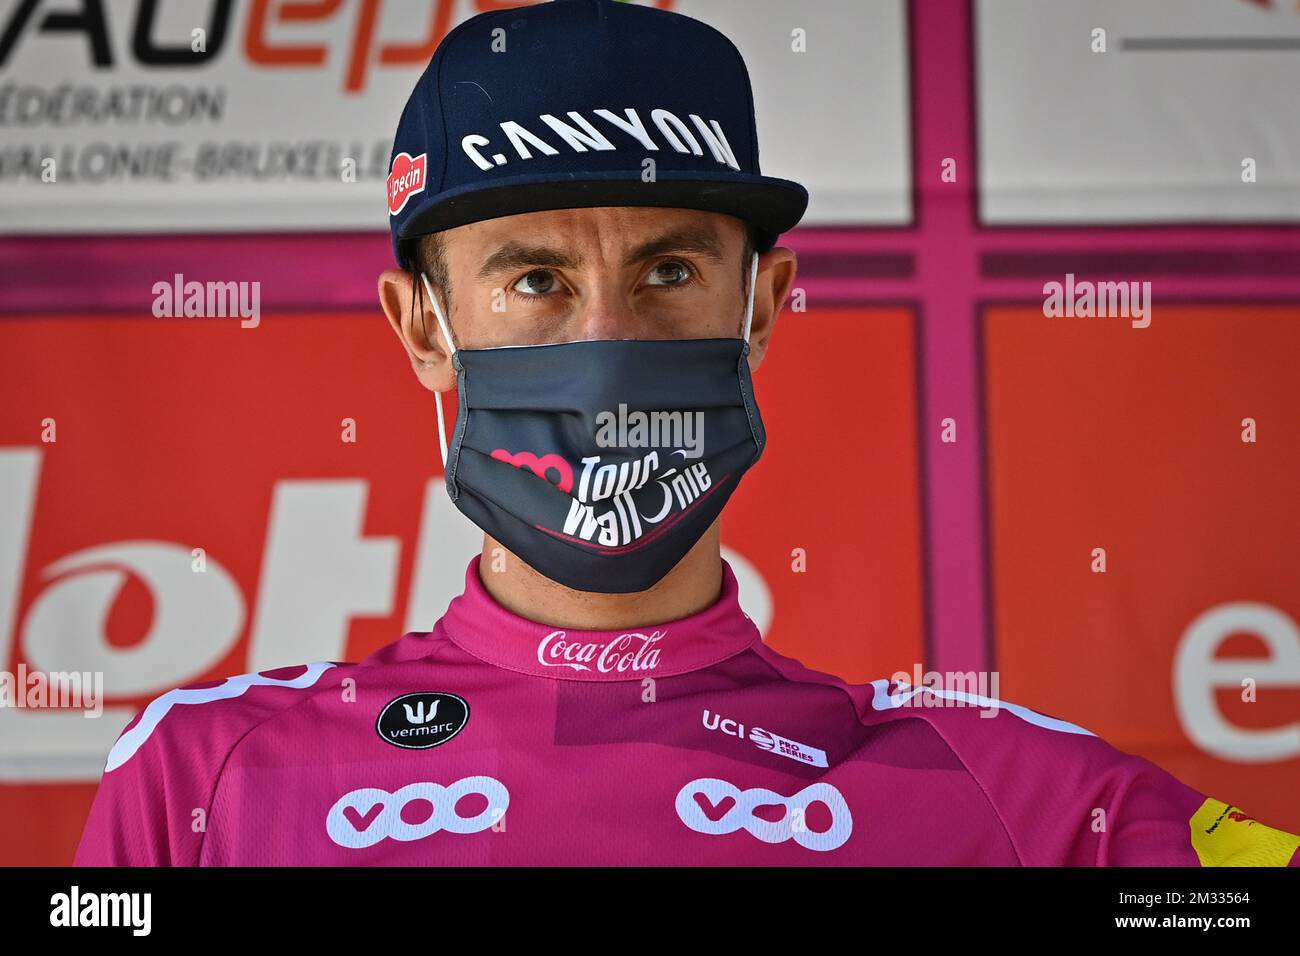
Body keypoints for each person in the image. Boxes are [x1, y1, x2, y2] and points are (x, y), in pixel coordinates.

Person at [76, 0, 1298, 866]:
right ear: (424, 328)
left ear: (761, 303)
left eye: (667, 267)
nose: (607, 337)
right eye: (535, 278)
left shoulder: (1026, 801)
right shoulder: (201, 779)